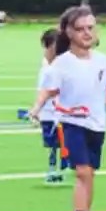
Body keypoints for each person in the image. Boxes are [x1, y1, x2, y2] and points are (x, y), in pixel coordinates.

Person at [29, 5, 106, 211]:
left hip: (97, 124)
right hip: (73, 123)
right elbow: (49, 91)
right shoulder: (62, 64)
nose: (87, 33)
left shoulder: (103, 61)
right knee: (83, 173)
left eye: (90, 27)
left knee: (90, 175)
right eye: (80, 29)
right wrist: (36, 109)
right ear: (68, 32)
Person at [36, 28, 69, 185]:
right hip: (48, 113)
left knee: (60, 142)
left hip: (58, 113)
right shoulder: (47, 66)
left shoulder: (58, 66)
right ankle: (53, 169)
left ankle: (59, 169)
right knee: (52, 144)